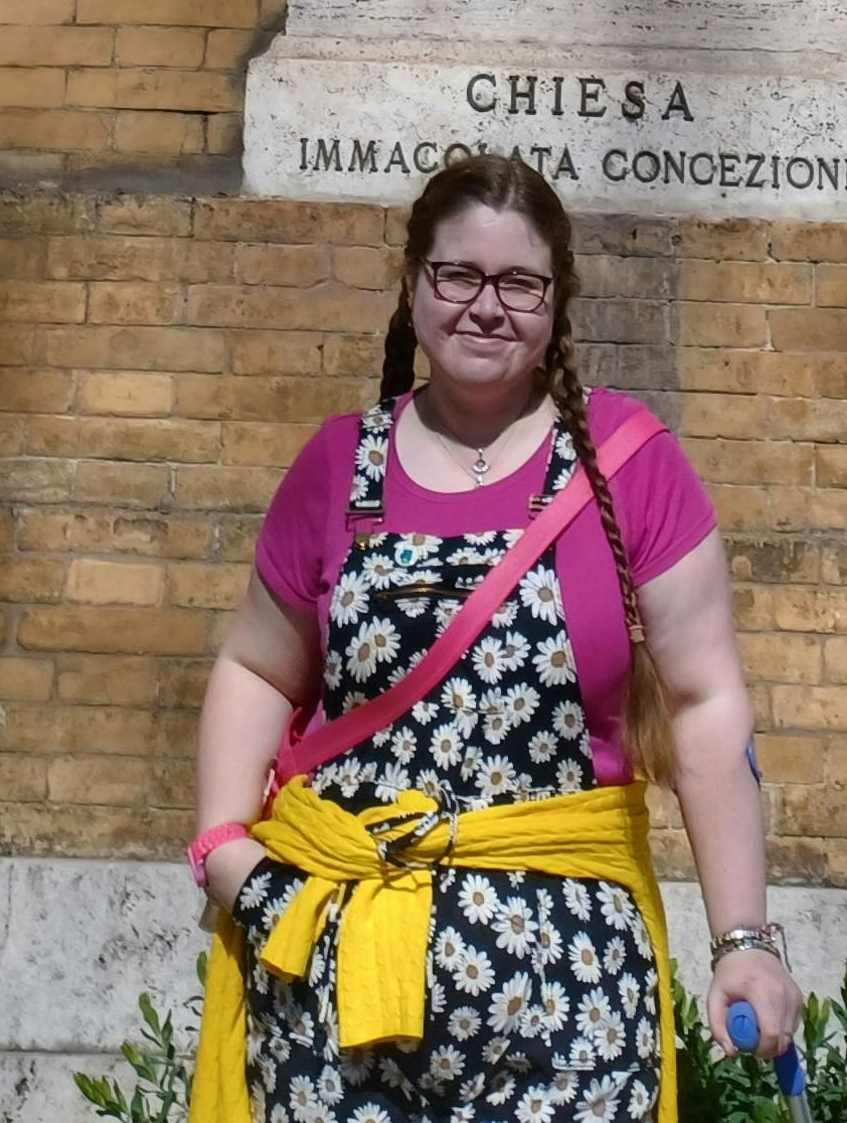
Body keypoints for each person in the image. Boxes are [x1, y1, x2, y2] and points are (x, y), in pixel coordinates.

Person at [188, 154, 802, 1123]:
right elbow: (257, 665)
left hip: (569, 1008)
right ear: (413, 285)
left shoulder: (629, 465)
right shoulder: (338, 463)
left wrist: (743, 940)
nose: (486, 306)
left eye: (519, 282)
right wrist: (227, 846)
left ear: (557, 301)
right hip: (335, 996)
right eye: (458, 275)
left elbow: (703, 702)